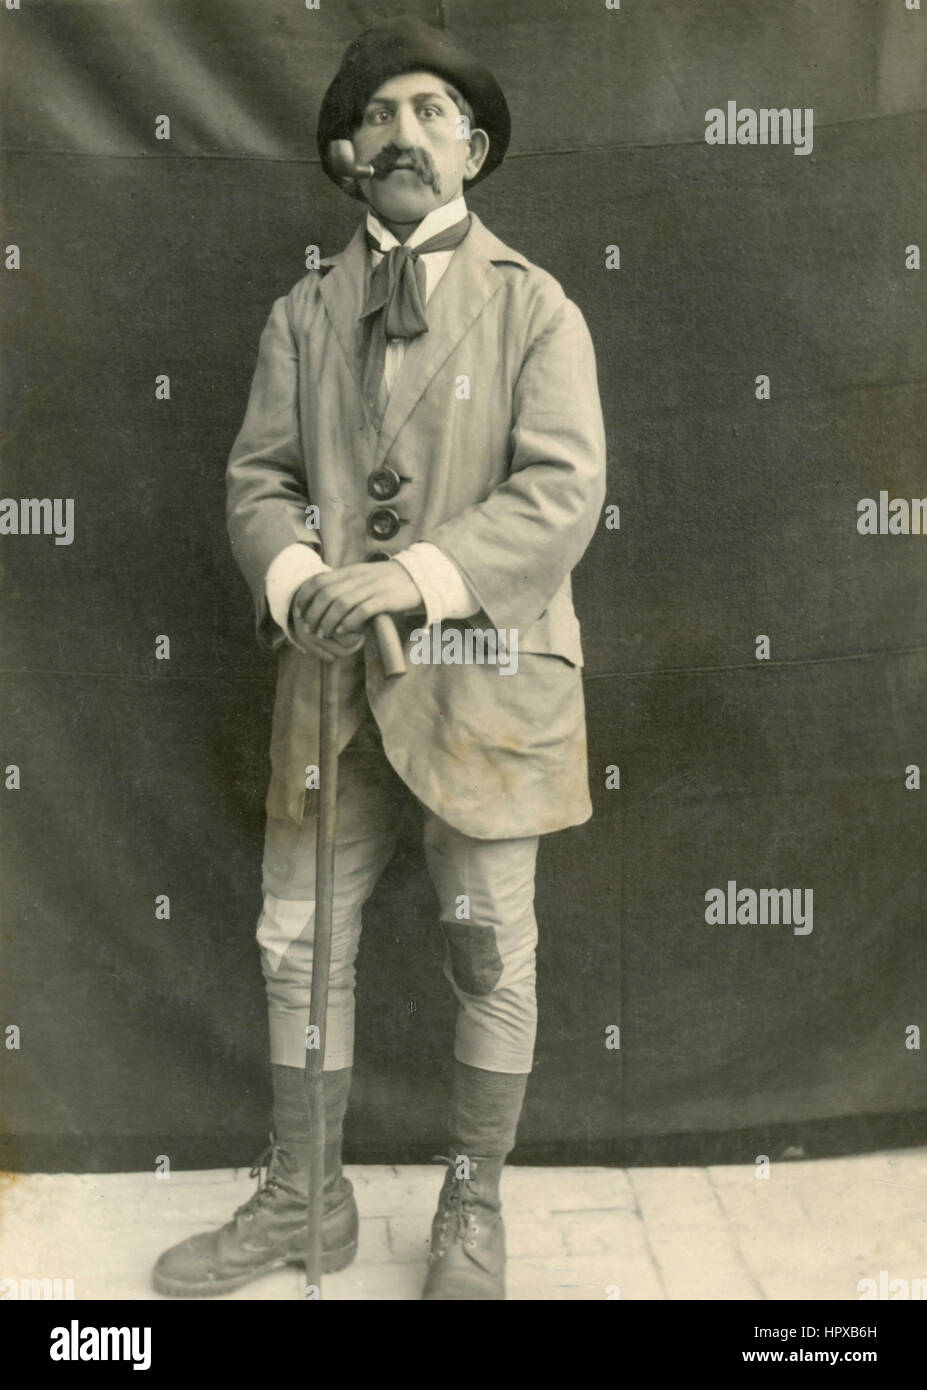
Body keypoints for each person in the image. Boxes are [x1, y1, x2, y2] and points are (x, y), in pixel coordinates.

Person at [153, 14, 606, 1301]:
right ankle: (309, 1199)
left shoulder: (536, 307)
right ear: (350, 154)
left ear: (473, 149)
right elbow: (259, 482)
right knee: (297, 942)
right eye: (379, 116)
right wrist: (300, 579)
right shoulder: (302, 316)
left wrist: (411, 578)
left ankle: (473, 1203)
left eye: (431, 113)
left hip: (488, 677)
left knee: (488, 951)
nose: (404, 134)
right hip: (331, 686)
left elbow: (562, 492)